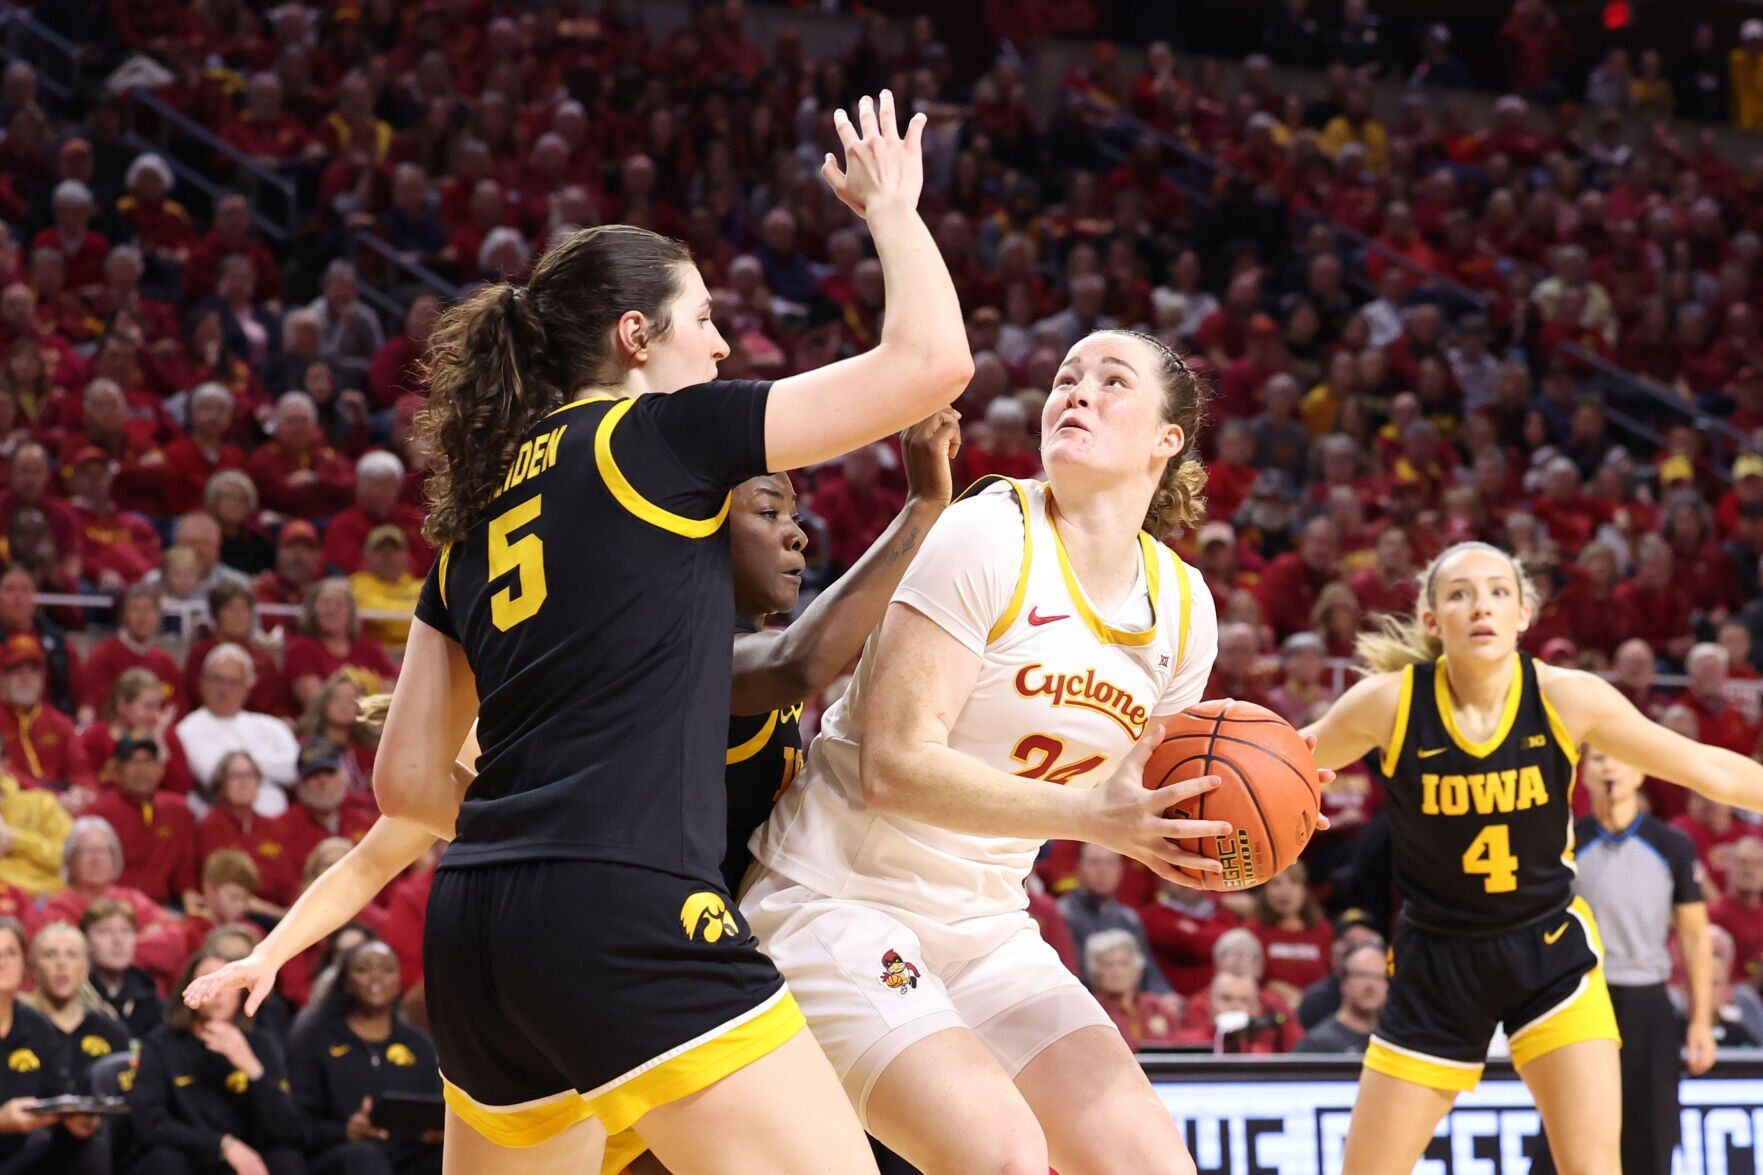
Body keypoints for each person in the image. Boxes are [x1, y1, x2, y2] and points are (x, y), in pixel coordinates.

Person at [370, 93, 969, 1173]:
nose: (724, 341)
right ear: (633, 336)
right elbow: (930, 363)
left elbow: (408, 781)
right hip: (623, 902)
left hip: (474, 928)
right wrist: (892, 209)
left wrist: (543, 834)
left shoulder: (472, 513)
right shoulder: (650, 437)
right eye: (703, 320)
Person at [190, 398, 967, 1171]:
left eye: (795, 514)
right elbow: (380, 845)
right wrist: (924, 506)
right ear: (691, 533)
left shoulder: (691, 659)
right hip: (659, 980)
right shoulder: (673, 665)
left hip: (681, 974)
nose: (797, 532)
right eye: (767, 509)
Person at [743, 327, 1330, 1175]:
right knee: (1003, 1155)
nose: (1076, 392)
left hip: (982, 926)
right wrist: (1085, 815)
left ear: (1168, 439)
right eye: (1066, 377)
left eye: (1111, 380)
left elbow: (1169, 789)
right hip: (836, 900)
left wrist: (1276, 791)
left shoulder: (1182, 606)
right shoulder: (986, 534)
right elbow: (893, 766)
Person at [1302, 540, 1763, 1174]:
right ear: (1433, 619)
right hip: (1437, 962)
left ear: (1524, 613)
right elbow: (1280, 772)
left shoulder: (1567, 697)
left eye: (1497, 591)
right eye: (1459, 594)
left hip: (1546, 951)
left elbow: (1705, 766)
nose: (1481, 606)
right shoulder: (1389, 703)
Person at [1532, 747, 1713, 1175]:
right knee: (1563, 1140)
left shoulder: (1670, 844)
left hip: (1649, 1005)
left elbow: (1694, 935)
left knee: (1651, 1137)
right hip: (1579, 1003)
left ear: (1640, 773)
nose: (1609, 766)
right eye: (1597, 759)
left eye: (1620, 758)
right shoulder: (1564, 843)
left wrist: (1700, 1021)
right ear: (1583, 774)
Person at [129, 947, 306, 1175]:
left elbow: (289, 1130)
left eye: (228, 982)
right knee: (165, 1162)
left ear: (242, 991)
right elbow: (149, 1123)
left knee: (287, 1160)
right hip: (191, 1156)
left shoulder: (260, 1043)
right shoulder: (162, 1043)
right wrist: (221, 1145)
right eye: (208, 982)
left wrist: (252, 1068)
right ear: (189, 991)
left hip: (249, 1159)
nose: (219, 992)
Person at [287, 940, 443, 1175]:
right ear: (347, 982)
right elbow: (295, 1125)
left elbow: (435, 1107)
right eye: (363, 969)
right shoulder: (316, 1039)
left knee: (452, 1156)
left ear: (399, 980)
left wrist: (439, 1133)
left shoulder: (419, 1043)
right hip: (342, 1155)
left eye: (387, 969)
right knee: (365, 1157)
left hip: (408, 1155)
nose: (376, 978)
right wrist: (344, 1131)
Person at [0, 919, 106, 1173]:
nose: (1, 962)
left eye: (10, 953)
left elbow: (56, 1093)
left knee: (89, 1147)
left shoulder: (37, 1026)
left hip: (20, 1154)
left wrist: (75, 1122)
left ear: (25, 964)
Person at [176, 644, 300, 811]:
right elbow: (217, 774)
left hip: (276, 825)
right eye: (217, 680)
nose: (224, 689)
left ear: (249, 685)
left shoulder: (271, 726)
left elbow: (296, 769)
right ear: (203, 682)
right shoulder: (188, 729)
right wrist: (270, 763)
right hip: (223, 824)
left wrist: (240, 762)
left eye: (234, 682)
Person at [87, 734, 197, 905]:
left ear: (160, 769)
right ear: (116, 769)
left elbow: (185, 871)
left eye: (148, 761)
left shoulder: (178, 811)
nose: (142, 769)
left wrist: (189, 894)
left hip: (166, 907)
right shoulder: (98, 813)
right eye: (132, 761)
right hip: (113, 906)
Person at [22, 921, 130, 1089]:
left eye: (72, 955)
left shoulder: (111, 1031)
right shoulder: (18, 1029)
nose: (61, 964)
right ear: (33, 966)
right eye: (50, 955)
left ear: (86, 965)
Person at [1057, 845, 1173, 993]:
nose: (1102, 871)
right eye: (1094, 863)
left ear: (1120, 872)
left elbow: (1148, 971)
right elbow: (1069, 974)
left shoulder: (1128, 918)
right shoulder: (1061, 915)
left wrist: (1166, 996)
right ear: (1078, 869)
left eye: (1110, 863)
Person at [195, 753, 297, 911]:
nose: (244, 782)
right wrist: (278, 914)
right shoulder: (210, 826)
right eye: (235, 776)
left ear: (258, 783)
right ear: (221, 784)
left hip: (277, 914)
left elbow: (290, 884)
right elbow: (222, 887)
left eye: (250, 775)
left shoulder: (275, 827)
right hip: (235, 913)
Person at [281, 580, 398, 711]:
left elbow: (393, 695)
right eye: (325, 603)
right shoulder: (301, 649)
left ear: (351, 611)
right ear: (313, 610)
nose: (332, 609)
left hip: (372, 725)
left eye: (339, 603)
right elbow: (315, 702)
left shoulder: (370, 648)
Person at [80, 667, 196, 796]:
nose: (155, 715)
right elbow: (86, 784)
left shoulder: (165, 734)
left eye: (159, 706)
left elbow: (181, 789)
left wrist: (159, 743)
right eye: (148, 706)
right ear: (122, 704)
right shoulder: (94, 738)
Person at [1246, 861, 1334, 1007]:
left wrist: (1305, 999)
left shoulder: (1323, 930)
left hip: (1317, 1012)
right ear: (1264, 890)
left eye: (1294, 882)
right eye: (1276, 883)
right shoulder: (1253, 931)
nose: (1285, 891)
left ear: (1304, 889)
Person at [1083, 929, 1185, 1050]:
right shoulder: (1089, 1012)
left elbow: (1181, 1046)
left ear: (1137, 969)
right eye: (1108, 965)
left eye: (1123, 963)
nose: (1117, 972)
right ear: (1094, 973)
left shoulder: (1156, 1007)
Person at [82, 899, 163, 1040]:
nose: (118, 940)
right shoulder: (72, 999)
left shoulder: (153, 1003)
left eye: (125, 931)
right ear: (85, 941)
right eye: (104, 931)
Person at [1292, 941, 1387, 1054]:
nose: (1371, 985)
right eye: (1362, 975)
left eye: (1379, 977)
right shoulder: (1316, 1045)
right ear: (1343, 983)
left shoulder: (1396, 1042)